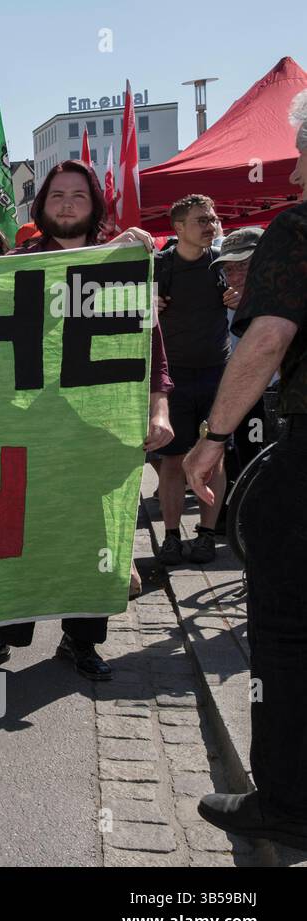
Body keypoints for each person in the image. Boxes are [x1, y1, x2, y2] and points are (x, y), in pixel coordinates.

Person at [0, 159, 175, 680]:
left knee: (95, 534)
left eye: (78, 195)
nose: (67, 203)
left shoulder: (118, 263)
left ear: (94, 205)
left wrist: (159, 409)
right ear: (42, 205)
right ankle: (0, 637)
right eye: (57, 195)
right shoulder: (12, 267)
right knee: (20, 534)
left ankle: (82, 640)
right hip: (28, 428)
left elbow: (149, 348)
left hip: (99, 430)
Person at [185, 89, 307, 849]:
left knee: (289, 633)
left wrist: (212, 436)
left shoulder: (298, 230)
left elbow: (265, 339)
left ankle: (289, 803)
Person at [153, 195, 230, 565]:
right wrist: (148, 301)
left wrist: (239, 296)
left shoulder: (224, 263)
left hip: (217, 374)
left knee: (213, 458)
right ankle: (170, 537)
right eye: (201, 220)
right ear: (178, 228)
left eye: (212, 218)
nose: (210, 225)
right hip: (174, 377)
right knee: (172, 461)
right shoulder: (158, 267)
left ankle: (206, 535)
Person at [213, 227, 271, 477]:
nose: (234, 276)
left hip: (283, 398)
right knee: (252, 467)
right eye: (228, 269)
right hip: (248, 397)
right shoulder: (225, 300)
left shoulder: (289, 294)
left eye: (242, 266)